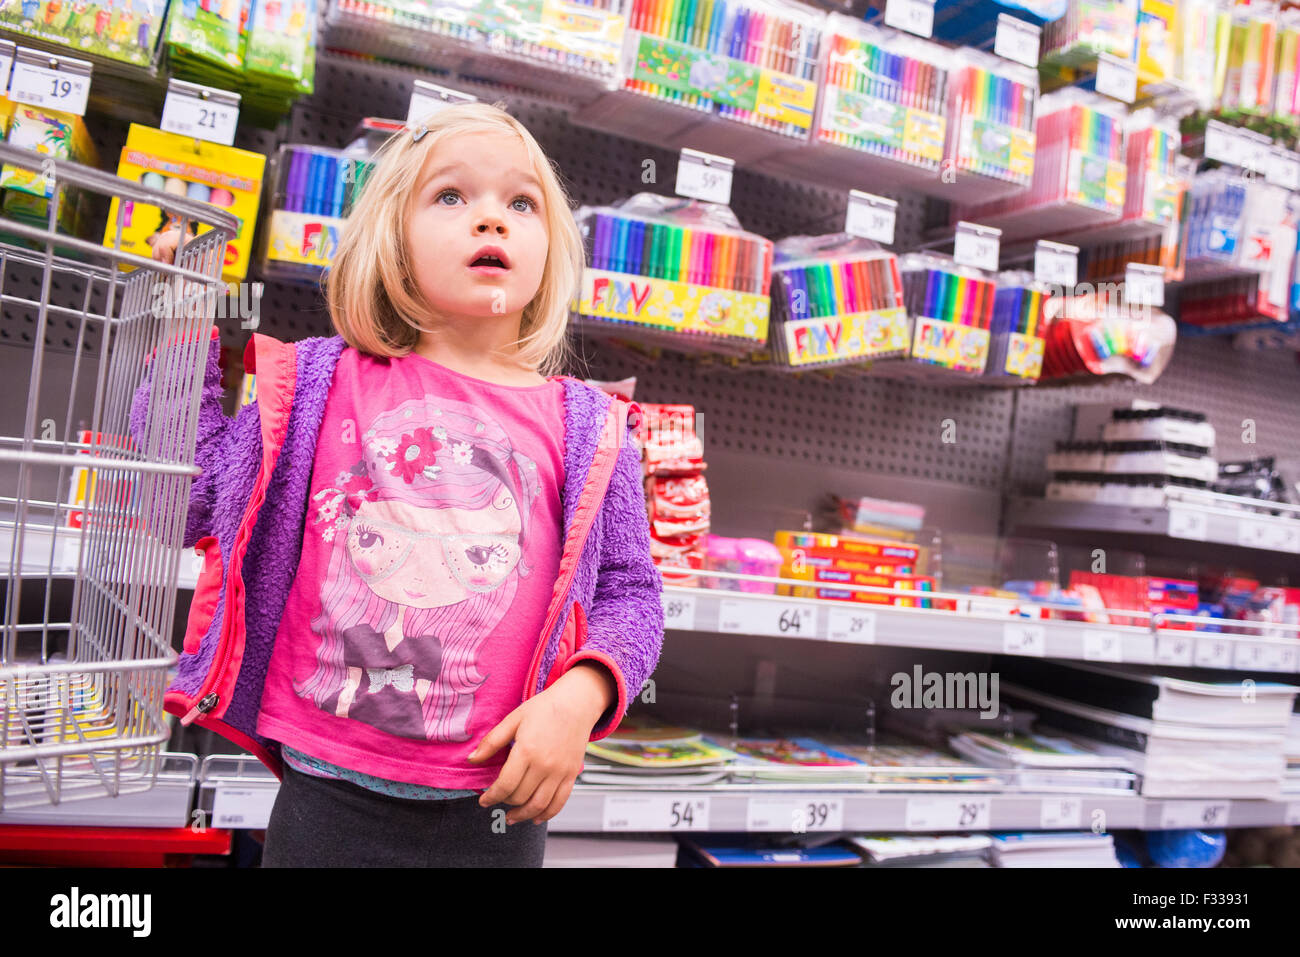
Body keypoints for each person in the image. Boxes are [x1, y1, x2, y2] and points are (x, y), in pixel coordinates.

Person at [137, 102, 665, 867]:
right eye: (452, 197)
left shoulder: (592, 427)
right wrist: (179, 315)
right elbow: (184, 495)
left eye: (521, 203)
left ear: (552, 247)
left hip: (497, 809)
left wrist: (581, 697)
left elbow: (632, 593)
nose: (492, 220)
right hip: (325, 796)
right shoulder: (315, 384)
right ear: (393, 235)